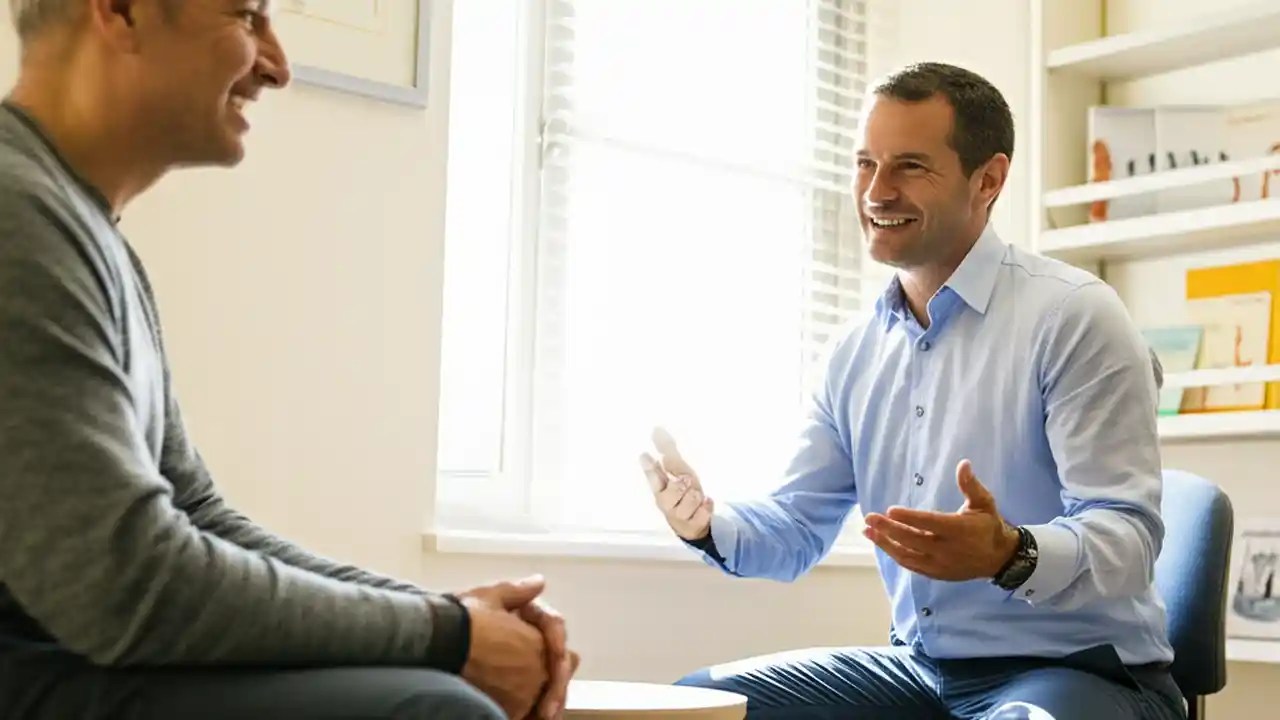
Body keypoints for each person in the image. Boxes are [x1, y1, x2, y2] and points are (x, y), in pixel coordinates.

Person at [0, 1, 577, 717]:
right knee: (433, 710)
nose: (277, 67)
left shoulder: (78, 228)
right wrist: (448, 634)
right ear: (120, 10)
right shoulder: (16, 217)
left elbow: (198, 513)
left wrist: (452, 616)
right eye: (247, 17)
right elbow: (121, 584)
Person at [642, 61, 1186, 720]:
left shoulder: (1075, 317)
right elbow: (795, 528)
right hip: (920, 671)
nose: (876, 191)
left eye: (909, 167)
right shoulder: (853, 353)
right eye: (865, 164)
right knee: (698, 707)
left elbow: (1127, 538)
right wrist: (706, 524)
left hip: (1081, 672)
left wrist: (1010, 552)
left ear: (988, 180)